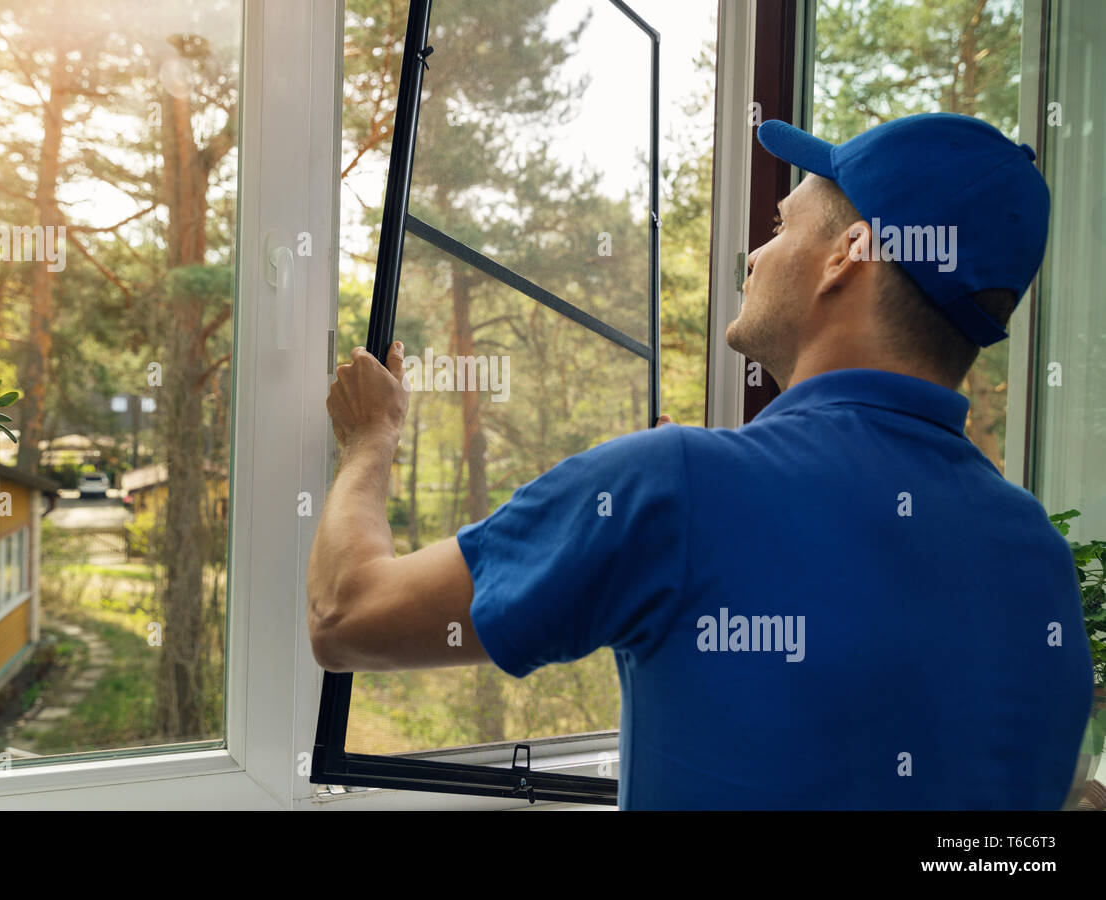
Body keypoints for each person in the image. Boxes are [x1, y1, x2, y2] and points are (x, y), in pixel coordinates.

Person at [307, 112, 1094, 809]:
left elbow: (346, 617)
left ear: (846, 255)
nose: (757, 254)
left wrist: (371, 441)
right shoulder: (1040, 560)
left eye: (783, 226)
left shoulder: (675, 487)